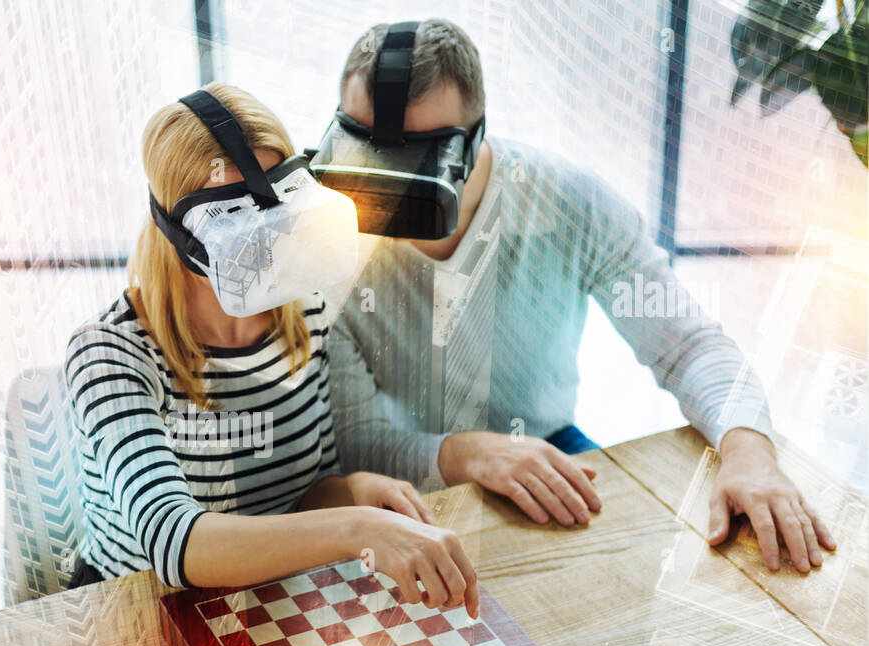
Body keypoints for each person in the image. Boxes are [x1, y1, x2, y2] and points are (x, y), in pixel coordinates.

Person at [323, 19, 836, 574]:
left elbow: (688, 347)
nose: (380, 184)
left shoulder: (567, 201)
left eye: (414, 161)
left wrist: (749, 451)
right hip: (405, 479)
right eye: (364, 149)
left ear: (473, 139)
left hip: (550, 444)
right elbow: (356, 445)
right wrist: (467, 452)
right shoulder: (327, 240)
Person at [64, 82, 479, 613]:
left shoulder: (308, 314)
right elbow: (177, 543)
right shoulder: (108, 353)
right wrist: (357, 526)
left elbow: (299, 498)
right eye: (236, 220)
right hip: (142, 623)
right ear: (181, 230)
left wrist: (350, 490)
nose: (265, 237)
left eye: (279, 203)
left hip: (268, 609)